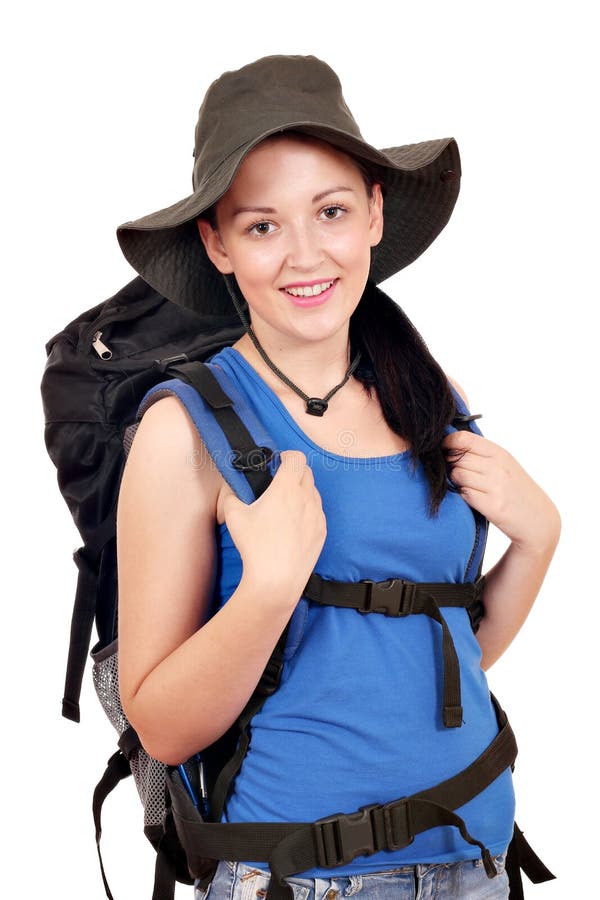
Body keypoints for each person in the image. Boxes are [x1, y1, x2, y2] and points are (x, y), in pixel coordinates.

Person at [115, 55, 560, 900]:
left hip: (478, 857)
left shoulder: (431, 395)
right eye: (261, 225)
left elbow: (441, 657)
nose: (305, 253)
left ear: (374, 215)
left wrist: (539, 542)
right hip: (300, 881)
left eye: (330, 212)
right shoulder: (186, 430)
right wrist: (268, 588)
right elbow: (164, 729)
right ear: (216, 244)